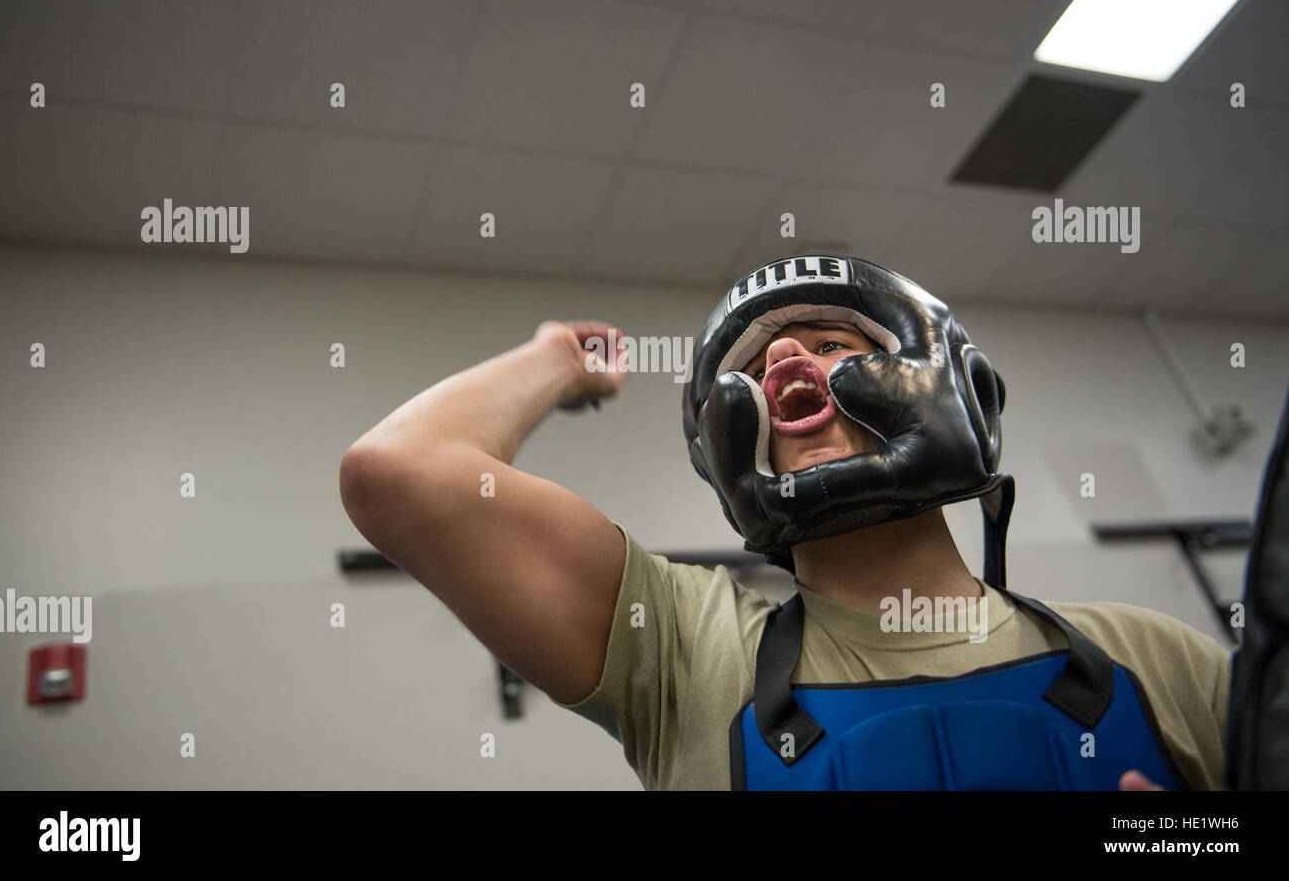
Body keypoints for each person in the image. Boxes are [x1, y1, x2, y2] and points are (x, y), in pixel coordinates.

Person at [339, 253, 1231, 791]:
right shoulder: (683, 651)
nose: (786, 363)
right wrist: (556, 361)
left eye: (835, 342)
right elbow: (401, 473)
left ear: (961, 390)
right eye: (755, 367)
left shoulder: (1158, 664)